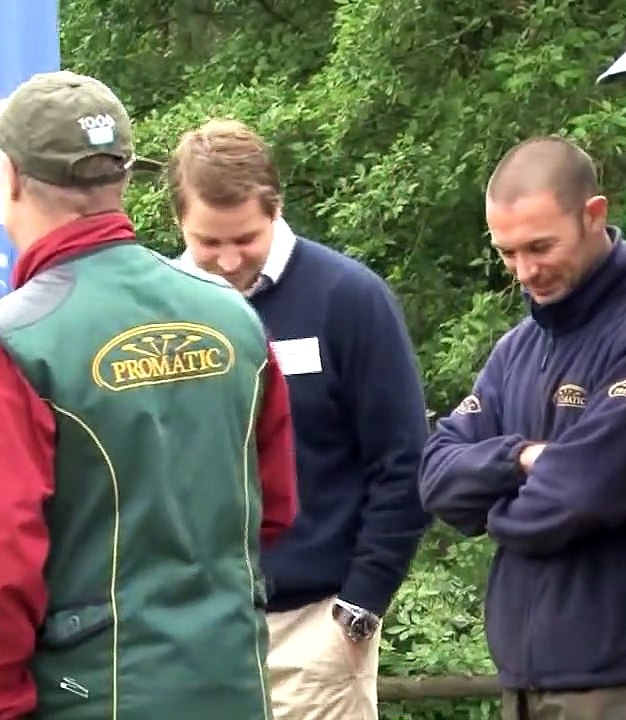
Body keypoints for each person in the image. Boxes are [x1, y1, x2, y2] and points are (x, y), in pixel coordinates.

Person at [0, 71, 299, 720]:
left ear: (8, 177)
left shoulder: (10, 348)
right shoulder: (233, 319)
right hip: (232, 688)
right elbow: (275, 510)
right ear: (122, 179)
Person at [419, 135, 626, 720]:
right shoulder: (517, 348)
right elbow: (435, 476)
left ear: (594, 216)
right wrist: (521, 460)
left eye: (541, 246)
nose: (525, 271)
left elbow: (580, 493)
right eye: (507, 253)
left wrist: (497, 509)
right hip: (522, 680)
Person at [171, 118, 431, 719]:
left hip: (314, 627)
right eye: (207, 242)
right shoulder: (158, 311)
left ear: (276, 208)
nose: (228, 260)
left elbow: (404, 460)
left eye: (246, 237)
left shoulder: (348, 298)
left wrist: (361, 606)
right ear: (179, 223)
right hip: (191, 633)